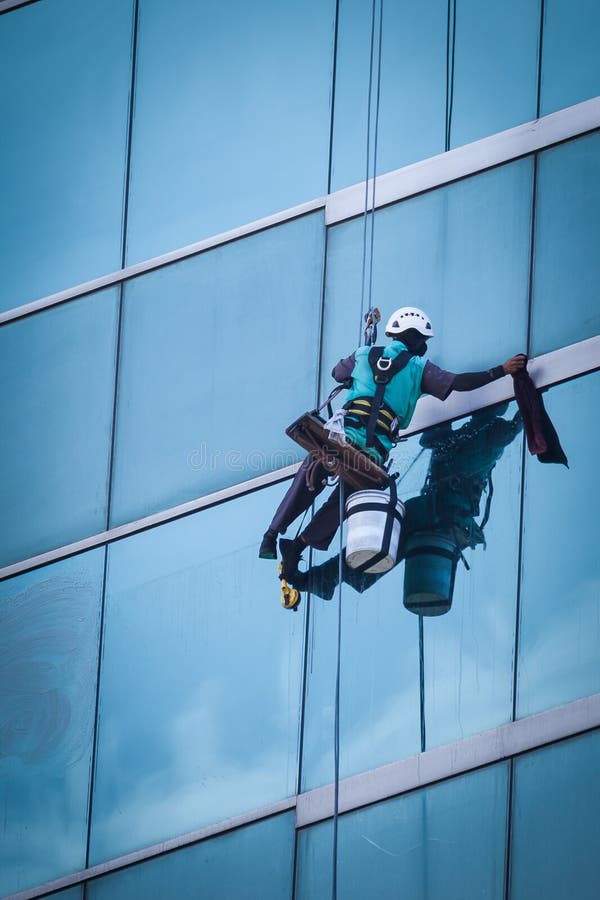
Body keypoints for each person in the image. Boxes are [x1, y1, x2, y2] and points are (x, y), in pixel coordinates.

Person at [259, 306, 526, 578]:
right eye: (423, 340)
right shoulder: (419, 368)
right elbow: (459, 383)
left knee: (311, 473)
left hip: (341, 439)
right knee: (346, 499)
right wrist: (501, 371)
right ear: (417, 339)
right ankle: (299, 546)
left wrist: (361, 366)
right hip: (371, 455)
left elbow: (337, 373)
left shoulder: (364, 355)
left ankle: (271, 535)